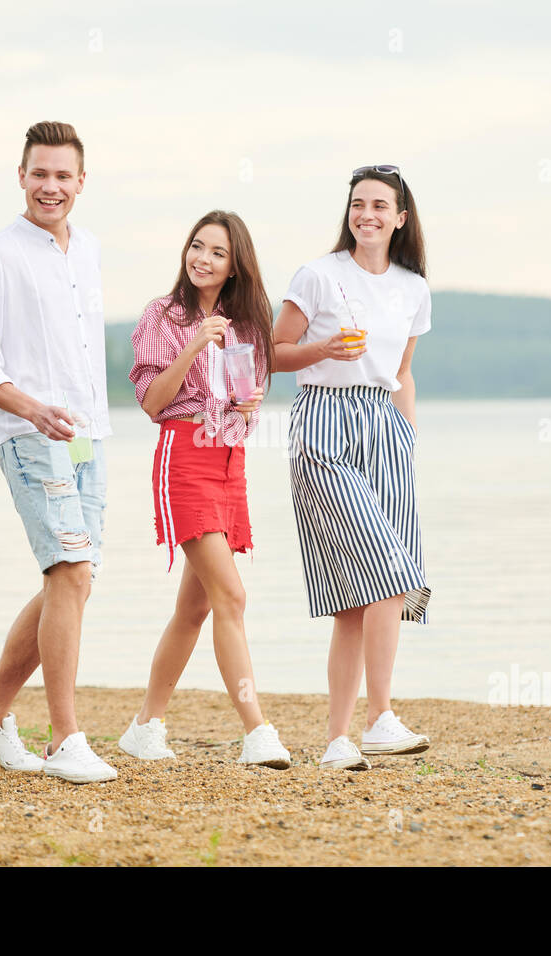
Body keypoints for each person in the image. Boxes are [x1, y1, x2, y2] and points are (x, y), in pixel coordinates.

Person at [0, 121, 117, 785]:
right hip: (29, 436)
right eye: (40, 173)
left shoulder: (90, 252)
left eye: (63, 175)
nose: (51, 186)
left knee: (71, 581)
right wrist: (31, 409)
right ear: (21, 177)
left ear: (81, 182)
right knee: (70, 574)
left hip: (89, 437)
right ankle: (64, 738)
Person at [272, 165, 433, 771]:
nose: (366, 214)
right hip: (323, 425)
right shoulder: (317, 275)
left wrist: (408, 442)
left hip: (386, 431)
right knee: (392, 576)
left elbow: (405, 372)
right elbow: (274, 354)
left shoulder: (414, 287)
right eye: (357, 204)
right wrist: (323, 349)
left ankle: (340, 741)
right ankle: (381, 718)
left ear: (400, 218)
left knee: (354, 600)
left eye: (379, 205)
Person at [119, 210, 291, 769]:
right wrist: (193, 345)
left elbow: (248, 403)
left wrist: (248, 408)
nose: (203, 259)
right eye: (197, 246)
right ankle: (256, 731)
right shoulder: (162, 317)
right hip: (183, 457)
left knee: (193, 610)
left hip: (228, 462)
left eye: (217, 252)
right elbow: (151, 402)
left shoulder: (248, 323)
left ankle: (146, 726)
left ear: (235, 263)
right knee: (232, 597)